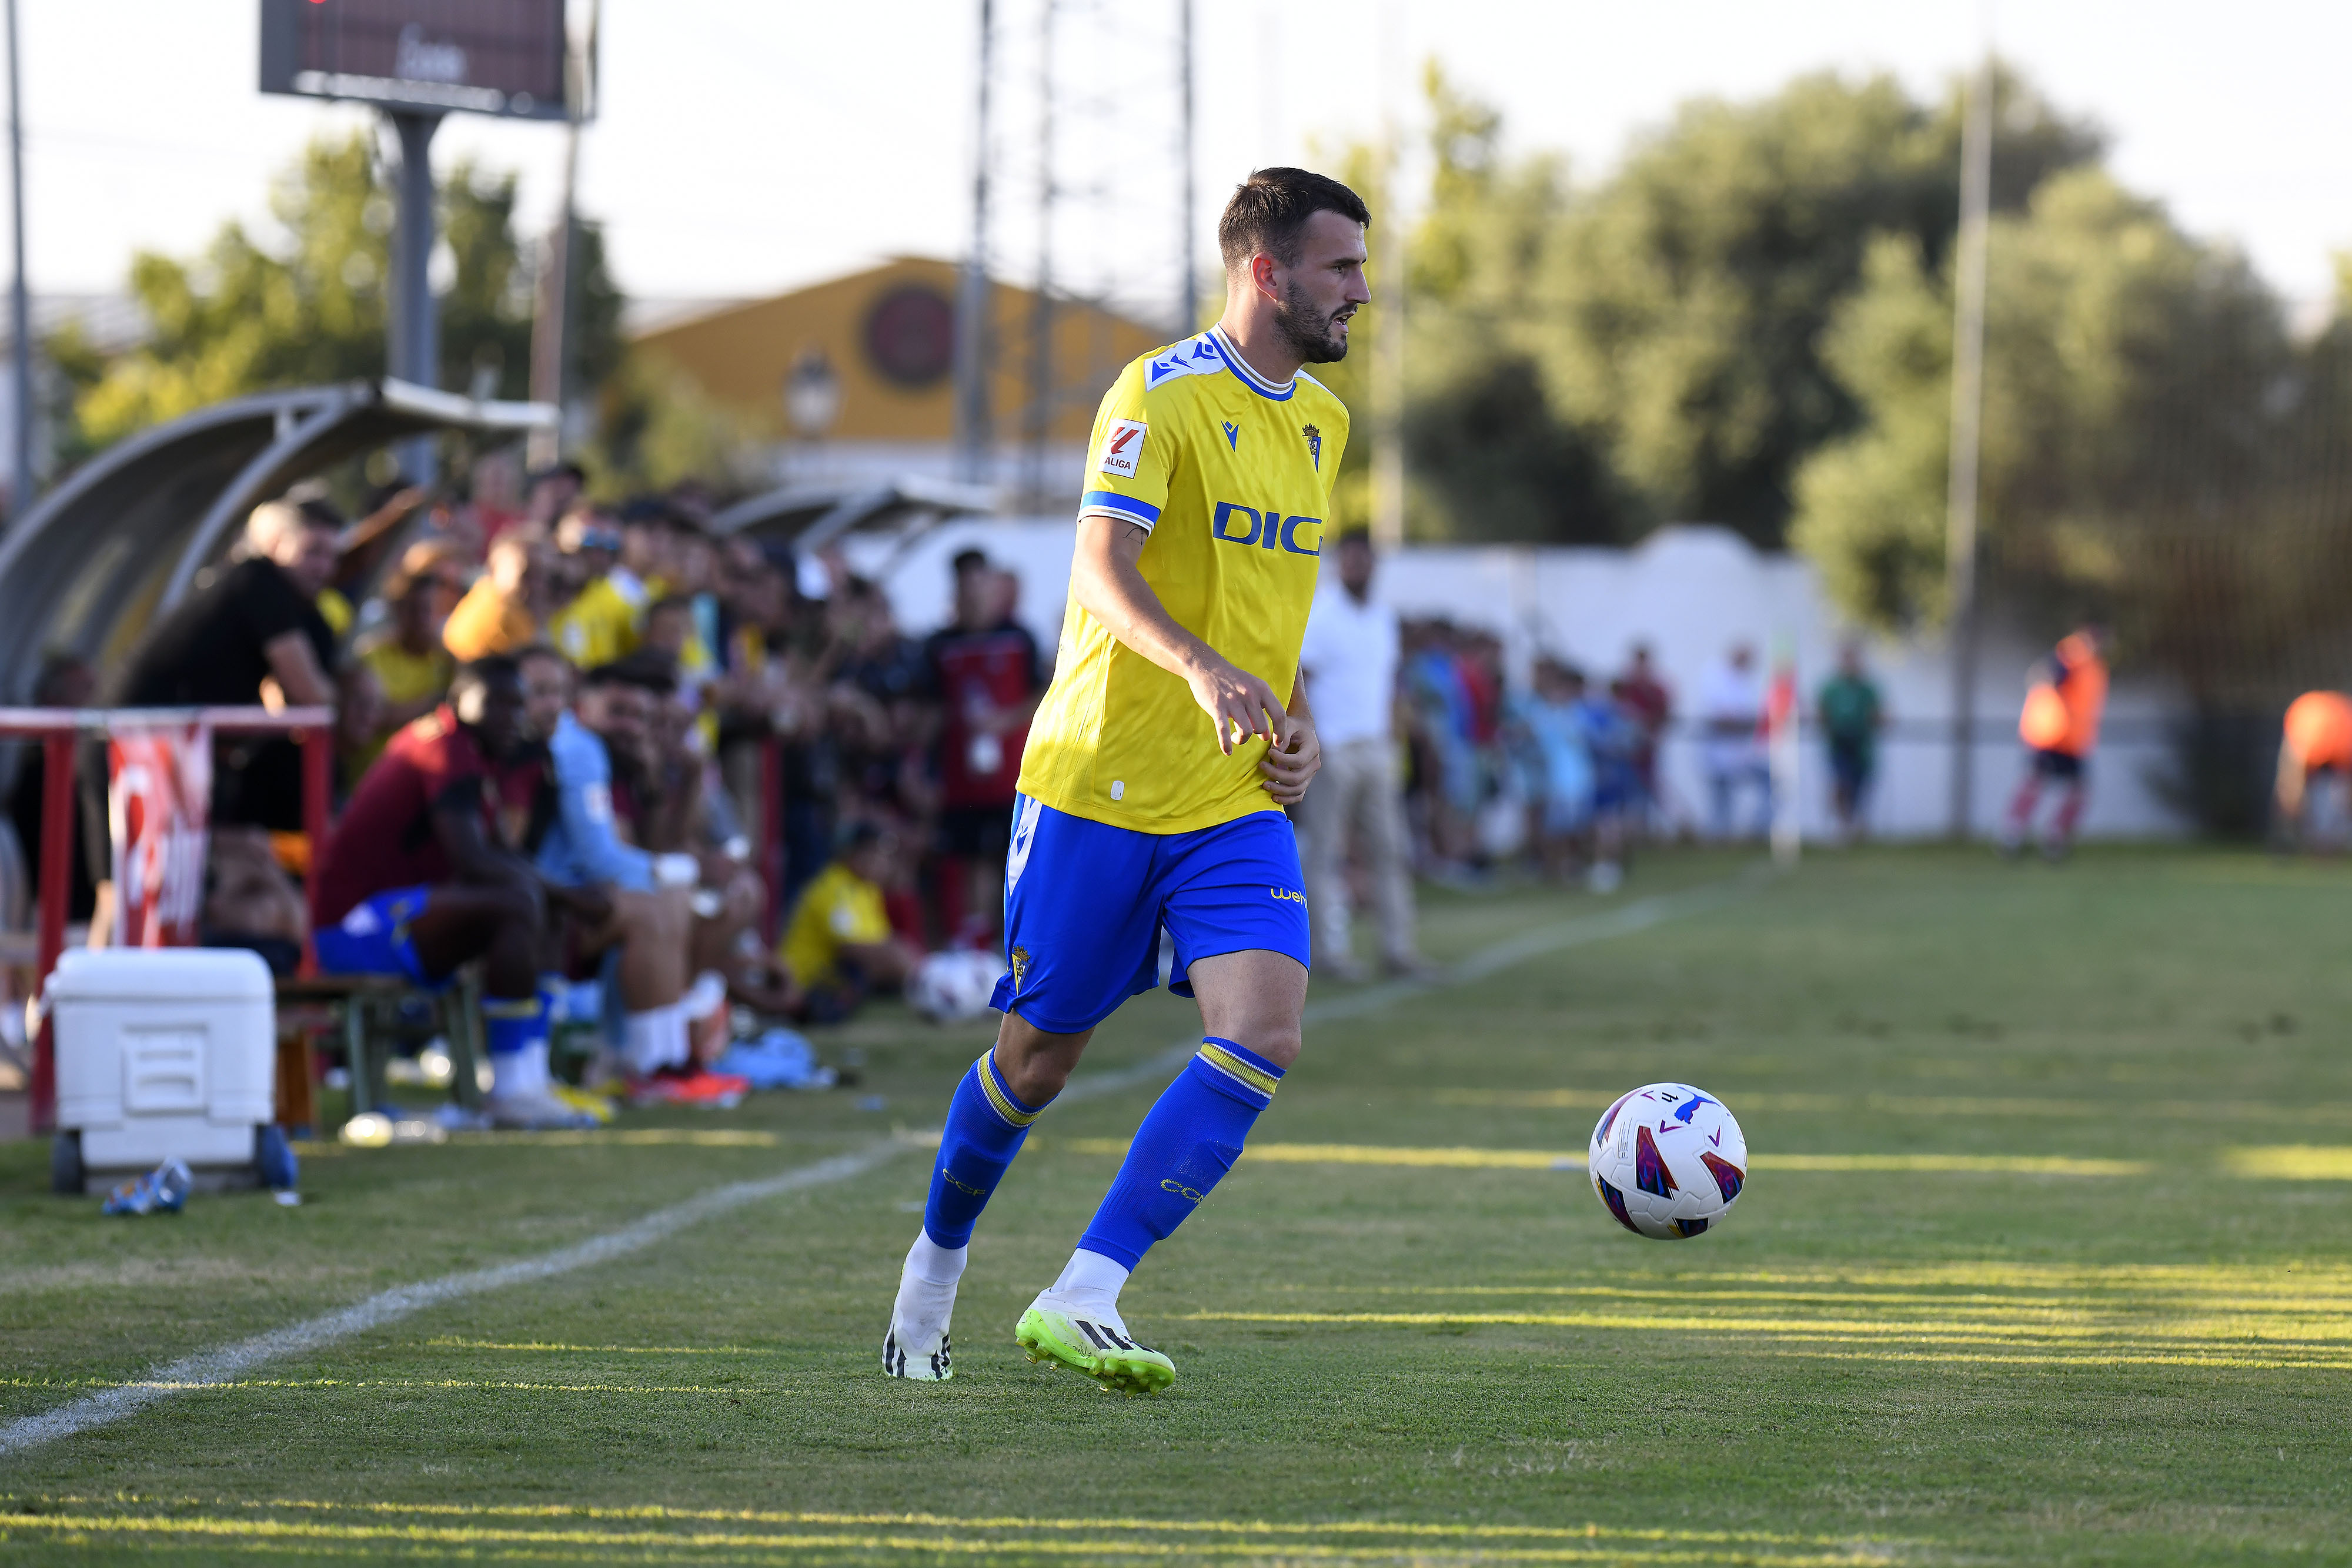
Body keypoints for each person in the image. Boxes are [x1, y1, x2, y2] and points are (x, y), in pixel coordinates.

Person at [878, 166, 1367, 1393]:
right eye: (1340, 268)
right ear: (1266, 271)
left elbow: (1267, 610)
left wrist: (1291, 716)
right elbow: (1099, 567)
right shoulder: (1155, 394)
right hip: (1097, 784)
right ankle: (934, 1265)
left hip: (1228, 800)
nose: (1362, 291)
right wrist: (1200, 671)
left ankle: (1085, 1289)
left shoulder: (1321, 424)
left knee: (1263, 1029)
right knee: (1032, 1064)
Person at [309, 656, 606, 1129]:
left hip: (404, 915)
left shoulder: (477, 755)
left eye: (519, 705)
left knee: (539, 903)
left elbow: (505, 857)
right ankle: (508, 1089)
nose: (513, 716)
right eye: (498, 704)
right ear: (458, 702)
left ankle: (532, 1077)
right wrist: (573, 897)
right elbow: (472, 859)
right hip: (351, 928)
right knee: (518, 902)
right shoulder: (442, 746)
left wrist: (565, 898)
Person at [113, 498, 340, 831]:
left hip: (164, 744)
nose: (324, 567)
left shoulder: (277, 594)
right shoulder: (259, 580)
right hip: (136, 742)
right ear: (276, 544)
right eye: (313, 551)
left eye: (333, 556)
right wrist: (344, 697)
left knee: (240, 861)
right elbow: (311, 695)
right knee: (131, 878)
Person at [1296, 529, 1421, 979]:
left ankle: (1399, 950)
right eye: (1350, 560)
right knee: (1326, 853)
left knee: (1390, 850)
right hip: (1332, 746)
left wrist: (1393, 738)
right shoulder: (1323, 614)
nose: (1357, 567)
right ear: (1338, 564)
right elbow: (1300, 678)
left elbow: (1389, 683)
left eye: (1364, 559)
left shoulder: (1383, 617)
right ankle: (1326, 953)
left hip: (1375, 747)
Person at [924, 549, 1045, 950]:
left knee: (1017, 861)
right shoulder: (940, 644)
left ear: (992, 585)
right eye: (965, 584)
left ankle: (1019, 942)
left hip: (1015, 774)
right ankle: (974, 942)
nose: (973, 592)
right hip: (962, 778)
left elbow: (1044, 694)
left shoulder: (1018, 637)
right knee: (969, 857)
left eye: (980, 581)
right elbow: (932, 709)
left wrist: (1005, 721)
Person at [779, 821, 922, 1021]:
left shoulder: (868, 890)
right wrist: (908, 963)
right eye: (874, 853)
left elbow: (879, 940)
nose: (882, 862)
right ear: (851, 853)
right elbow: (850, 948)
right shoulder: (833, 887)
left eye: (885, 855)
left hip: (834, 979)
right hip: (804, 984)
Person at [2002, 624, 2109, 861]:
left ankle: (2055, 837)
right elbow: (2043, 677)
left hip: (2073, 742)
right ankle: (2013, 835)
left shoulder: (2092, 667)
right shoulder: (2070, 659)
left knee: (2078, 792)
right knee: (2034, 784)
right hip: (2051, 737)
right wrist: (2060, 706)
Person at [1697, 642, 1770, 840]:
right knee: (1721, 802)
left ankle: (1755, 832)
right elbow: (1722, 717)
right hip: (1719, 753)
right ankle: (1720, 839)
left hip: (1742, 752)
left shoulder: (1745, 681)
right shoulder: (1715, 677)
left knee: (1770, 784)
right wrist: (1745, 723)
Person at [1816, 640, 1885, 844]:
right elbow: (1822, 714)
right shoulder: (1830, 687)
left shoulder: (1868, 688)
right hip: (1838, 744)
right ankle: (1843, 827)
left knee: (1861, 787)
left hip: (1862, 746)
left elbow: (1878, 714)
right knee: (1841, 784)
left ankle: (1857, 826)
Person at [443, 529, 544, 661]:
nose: (538, 584)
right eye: (527, 572)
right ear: (495, 565)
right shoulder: (501, 612)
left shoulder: (482, 593)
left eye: (541, 575)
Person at [2275, 690, 2352, 852]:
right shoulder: (2309, 726)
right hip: (2309, 738)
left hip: (2330, 750)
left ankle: (2320, 840)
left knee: (2335, 798)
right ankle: (2286, 839)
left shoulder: (2342, 727)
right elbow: (2292, 774)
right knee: (2290, 793)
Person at [1611, 643, 1672, 834]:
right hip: (1624, 750)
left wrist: (1653, 732)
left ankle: (1643, 830)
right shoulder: (1625, 686)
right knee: (1624, 790)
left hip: (1647, 748)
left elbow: (1665, 713)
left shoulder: (1655, 688)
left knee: (1647, 790)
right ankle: (1626, 831)